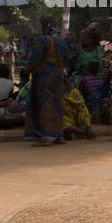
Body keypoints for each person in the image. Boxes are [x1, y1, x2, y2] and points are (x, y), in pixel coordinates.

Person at [22, 17, 71, 146]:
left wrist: (27, 70)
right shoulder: (62, 42)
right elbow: (66, 60)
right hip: (59, 75)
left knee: (45, 104)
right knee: (57, 103)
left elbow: (34, 59)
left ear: (44, 27)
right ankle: (58, 135)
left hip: (44, 75)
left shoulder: (41, 41)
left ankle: (47, 135)